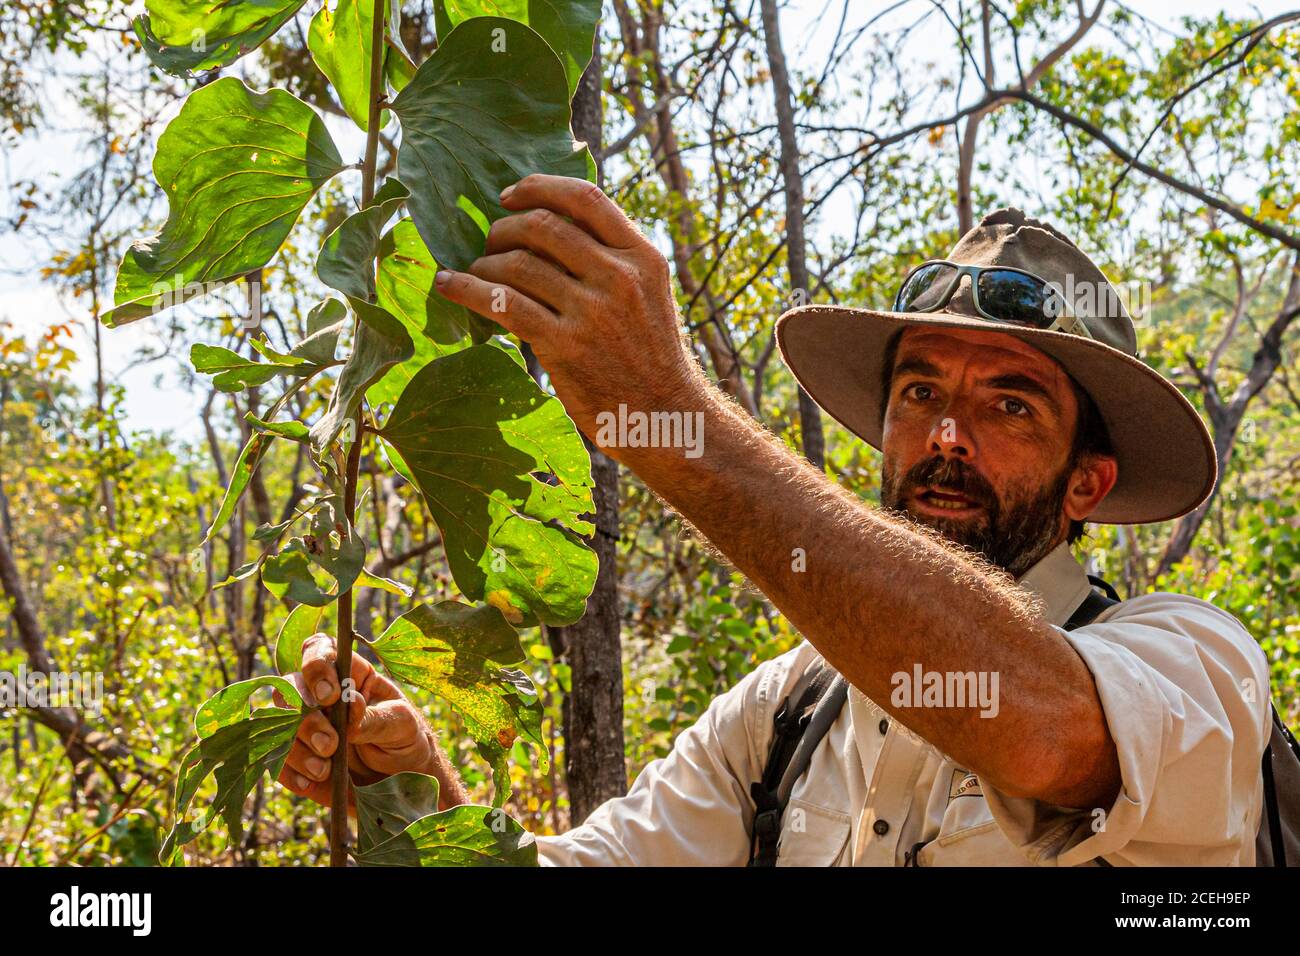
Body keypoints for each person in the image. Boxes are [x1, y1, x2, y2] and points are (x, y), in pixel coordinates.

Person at [277, 176, 1269, 866]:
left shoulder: (1196, 667)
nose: (948, 436)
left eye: (1012, 405)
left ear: (1086, 484)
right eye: (919, 391)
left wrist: (674, 420)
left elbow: (1045, 728)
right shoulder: (785, 710)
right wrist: (412, 788)